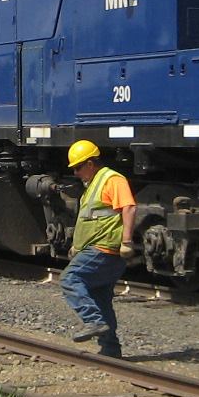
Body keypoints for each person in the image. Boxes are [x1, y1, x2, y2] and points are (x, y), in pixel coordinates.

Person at [60, 139, 137, 359]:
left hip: (105, 248)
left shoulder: (112, 180)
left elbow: (129, 207)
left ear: (91, 163)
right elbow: (90, 219)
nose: (75, 173)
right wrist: (77, 246)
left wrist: (128, 241)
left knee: (70, 279)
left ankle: (92, 321)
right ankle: (111, 350)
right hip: (97, 249)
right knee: (100, 296)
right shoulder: (93, 185)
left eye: (77, 167)